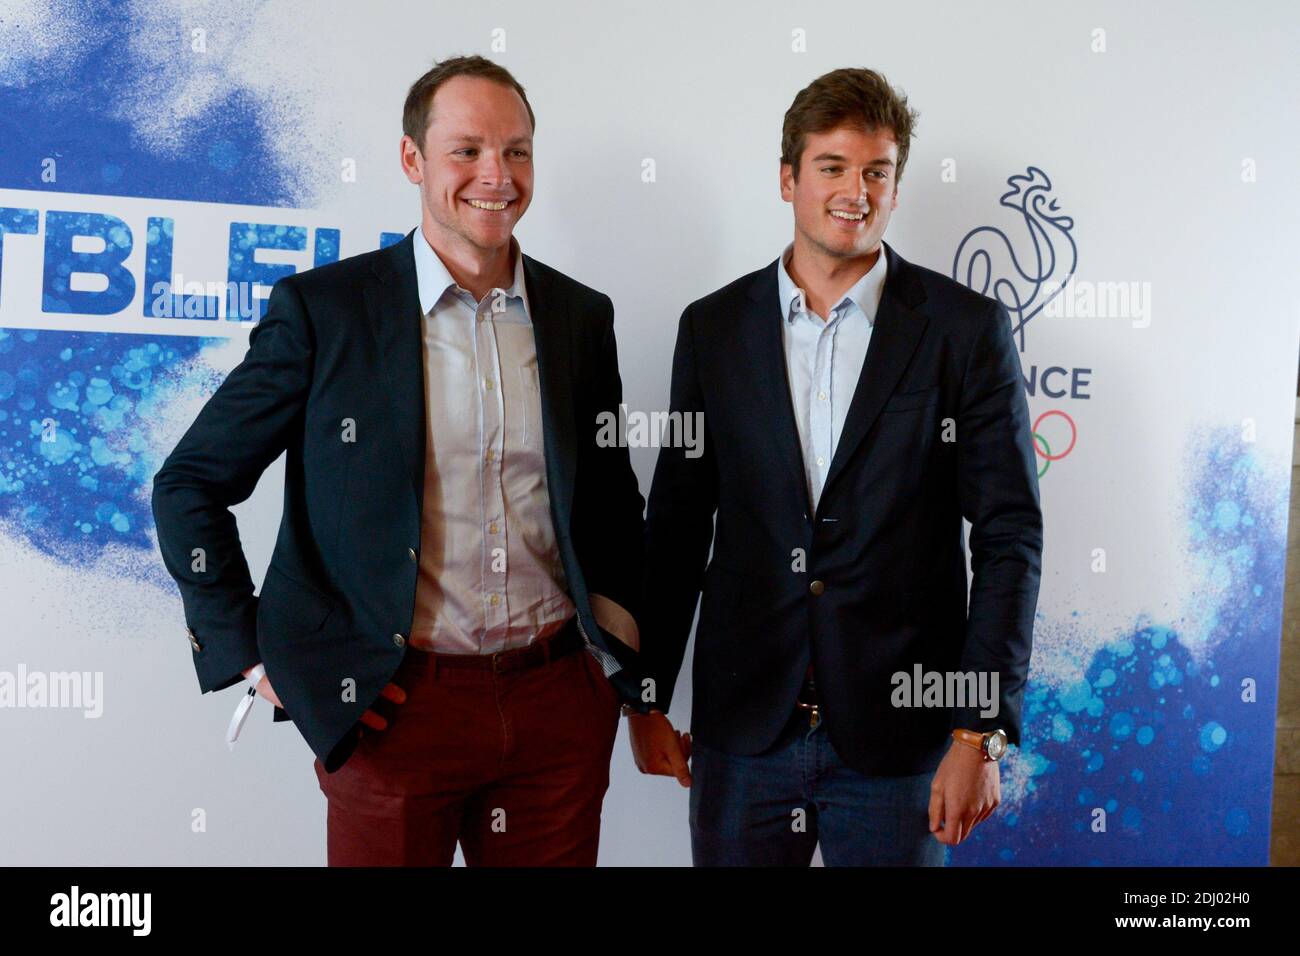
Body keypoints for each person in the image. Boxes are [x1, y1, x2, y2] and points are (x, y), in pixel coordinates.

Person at [152, 54, 650, 866]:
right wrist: (249, 651)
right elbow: (190, 484)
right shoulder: (324, 313)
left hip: (556, 708)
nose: (497, 174)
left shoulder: (579, 316)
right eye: (468, 150)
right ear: (412, 160)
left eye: (517, 150)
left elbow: (606, 502)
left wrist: (617, 666)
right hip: (390, 710)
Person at [629, 67, 1043, 865]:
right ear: (788, 178)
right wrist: (646, 699)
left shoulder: (965, 330)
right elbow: (676, 525)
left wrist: (979, 731)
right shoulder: (713, 329)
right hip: (745, 736)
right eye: (833, 167)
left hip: (906, 741)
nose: (857, 191)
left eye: (877, 172)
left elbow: (1008, 536)